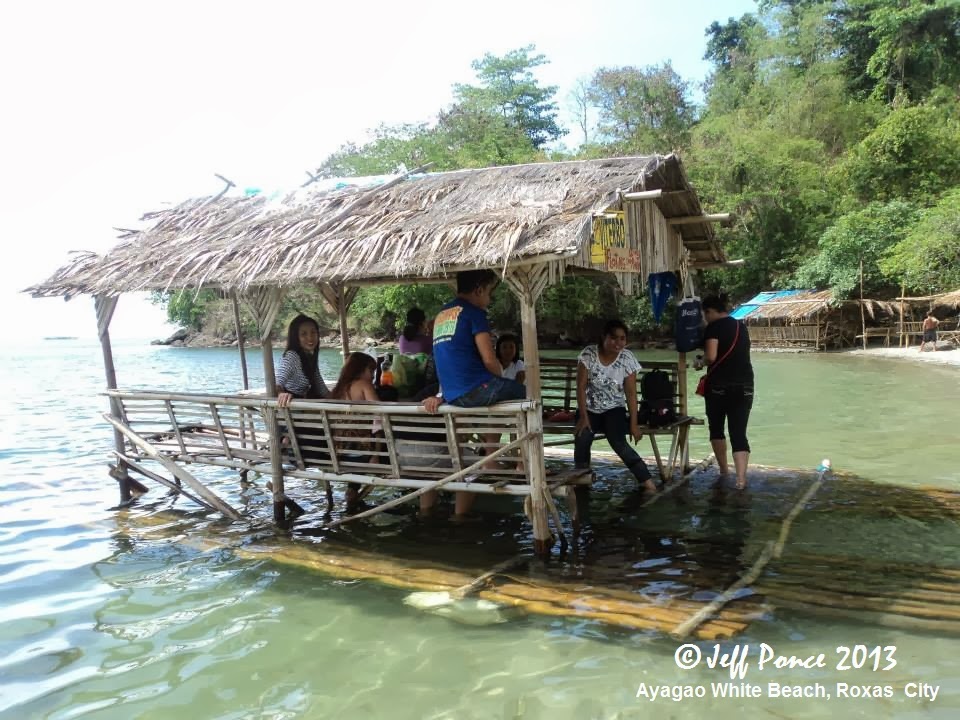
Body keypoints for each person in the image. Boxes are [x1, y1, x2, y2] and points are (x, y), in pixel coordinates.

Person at [421, 269, 526, 518]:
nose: (489, 299)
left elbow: (445, 360)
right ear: (479, 289)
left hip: (452, 395)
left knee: (500, 397)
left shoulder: (441, 315)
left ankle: (488, 454)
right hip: (476, 390)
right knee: (523, 394)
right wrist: (499, 376)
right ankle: (517, 462)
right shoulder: (475, 313)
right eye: (489, 292)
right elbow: (490, 359)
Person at [574, 320, 658, 495]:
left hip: (615, 409)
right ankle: (581, 481)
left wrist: (634, 424)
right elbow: (581, 387)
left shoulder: (627, 359)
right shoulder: (588, 354)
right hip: (589, 409)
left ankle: (646, 481)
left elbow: (631, 394)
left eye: (622, 339)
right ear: (604, 337)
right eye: (613, 338)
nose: (618, 343)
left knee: (618, 442)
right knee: (583, 438)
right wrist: (583, 416)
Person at [695, 294, 754, 490]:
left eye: (706, 314)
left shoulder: (714, 327)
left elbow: (711, 356)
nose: (705, 318)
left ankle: (724, 471)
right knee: (739, 434)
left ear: (710, 311)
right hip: (745, 386)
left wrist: (699, 362)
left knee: (717, 429)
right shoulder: (741, 326)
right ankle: (741, 480)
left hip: (719, 387)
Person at [330, 352, 382, 510]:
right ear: (360, 370)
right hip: (362, 454)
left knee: (359, 432)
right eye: (371, 370)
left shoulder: (338, 389)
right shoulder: (364, 385)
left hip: (338, 453)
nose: (373, 375)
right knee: (382, 427)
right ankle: (353, 491)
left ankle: (352, 491)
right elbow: (381, 412)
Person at [276, 314, 330, 407]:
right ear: (296, 337)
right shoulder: (292, 356)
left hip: (304, 409)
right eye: (304, 334)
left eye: (313, 332)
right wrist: (281, 393)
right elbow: (277, 383)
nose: (310, 337)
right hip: (290, 410)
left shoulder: (310, 356)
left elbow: (321, 388)